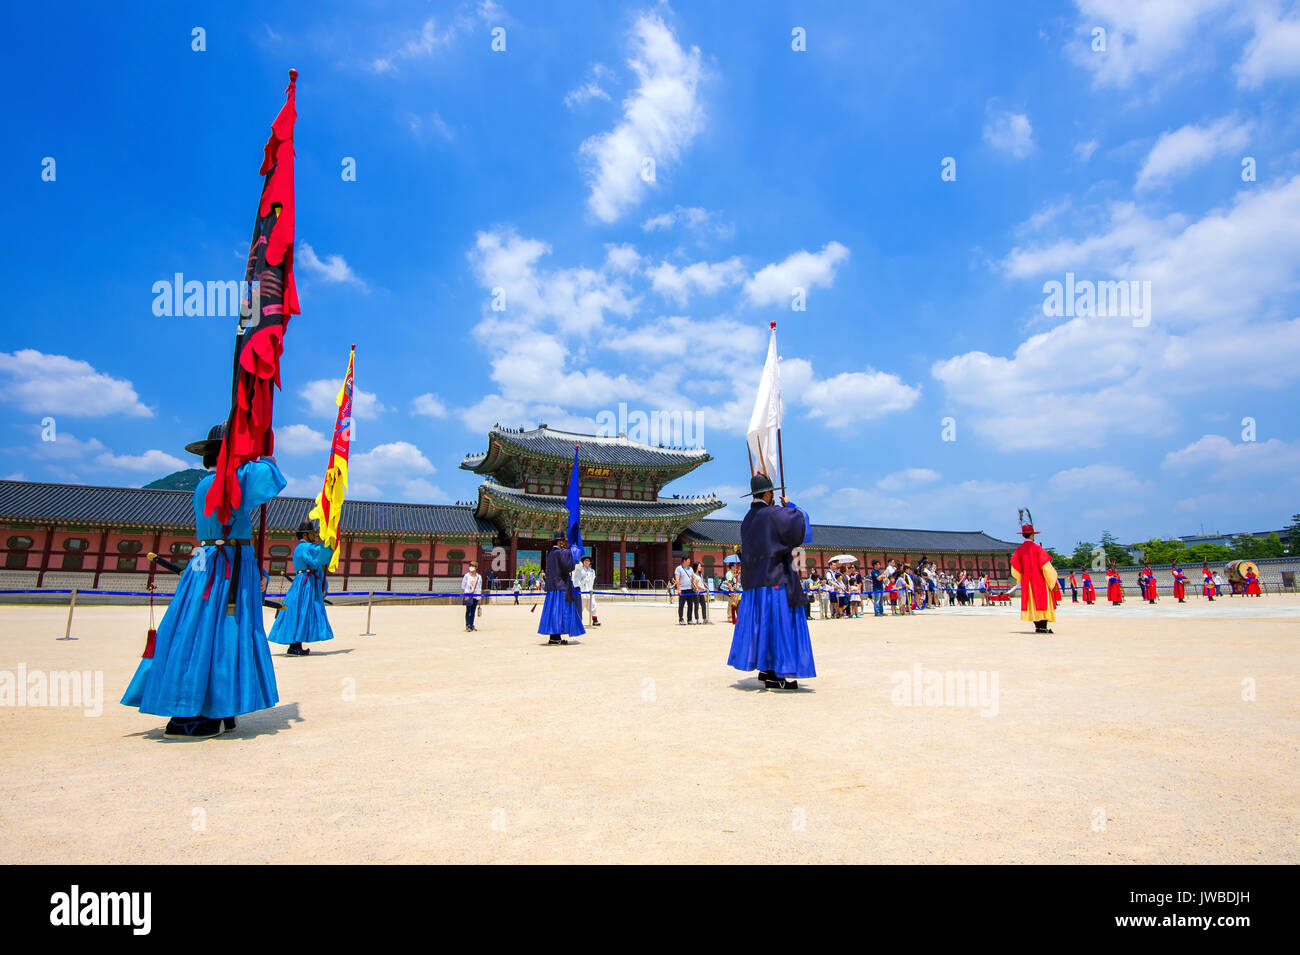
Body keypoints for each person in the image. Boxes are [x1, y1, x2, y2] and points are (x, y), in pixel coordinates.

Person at [121, 423, 285, 739]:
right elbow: (266, 478)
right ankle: (192, 711)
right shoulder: (225, 484)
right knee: (213, 633)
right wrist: (265, 453)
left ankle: (220, 706)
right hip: (222, 569)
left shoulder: (213, 484)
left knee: (215, 631)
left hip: (221, 562)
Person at [727, 473, 815, 690]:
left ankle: (766, 670)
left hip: (755, 583)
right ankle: (778, 673)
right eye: (772, 494)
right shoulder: (774, 514)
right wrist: (790, 505)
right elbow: (800, 523)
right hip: (775, 579)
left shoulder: (748, 519)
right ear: (767, 494)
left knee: (762, 625)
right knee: (780, 624)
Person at [268, 518, 334, 655]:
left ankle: (296, 644)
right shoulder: (304, 547)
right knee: (301, 611)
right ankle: (294, 645)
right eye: (311, 533)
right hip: (305, 583)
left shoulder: (303, 547)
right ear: (305, 535)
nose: (314, 536)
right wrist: (329, 542)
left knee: (301, 611)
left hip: (306, 581)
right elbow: (318, 555)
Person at [1009, 511, 1059, 634]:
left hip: (1027, 582)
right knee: (1042, 602)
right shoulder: (1038, 549)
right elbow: (1047, 567)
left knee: (1032, 603)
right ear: (1032, 535)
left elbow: (1015, 569)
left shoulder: (1019, 550)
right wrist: (1052, 579)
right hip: (1040, 581)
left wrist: (1021, 578)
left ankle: (1038, 626)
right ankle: (1043, 626)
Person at [538, 533, 584, 645]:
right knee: (559, 612)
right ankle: (555, 636)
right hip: (560, 586)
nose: (564, 543)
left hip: (552, 587)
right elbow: (569, 565)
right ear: (559, 542)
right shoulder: (559, 553)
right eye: (562, 541)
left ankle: (555, 637)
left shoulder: (551, 554)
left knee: (553, 611)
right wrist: (574, 547)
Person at [574, 553, 600, 625]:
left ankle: (595, 620)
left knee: (593, 605)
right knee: (580, 607)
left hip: (590, 591)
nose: (587, 562)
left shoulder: (592, 571)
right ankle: (577, 621)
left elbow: (592, 581)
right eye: (585, 561)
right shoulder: (580, 570)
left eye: (588, 561)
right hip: (582, 591)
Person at [675, 555, 697, 625]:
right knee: (681, 605)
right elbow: (677, 579)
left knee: (690, 604)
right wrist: (678, 589)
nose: (689, 562)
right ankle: (681, 619)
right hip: (682, 589)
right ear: (684, 561)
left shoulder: (690, 569)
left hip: (690, 589)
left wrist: (695, 586)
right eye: (688, 560)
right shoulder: (679, 568)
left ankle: (689, 619)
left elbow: (694, 578)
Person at [461, 560, 482, 632]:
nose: (471, 567)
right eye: (470, 566)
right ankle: (467, 625)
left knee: (473, 611)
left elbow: (479, 587)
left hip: (475, 595)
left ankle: (472, 624)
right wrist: (466, 592)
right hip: (468, 595)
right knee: (468, 610)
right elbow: (463, 585)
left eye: (473, 566)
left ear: (476, 568)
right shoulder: (467, 576)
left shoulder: (479, 577)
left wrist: (479, 597)